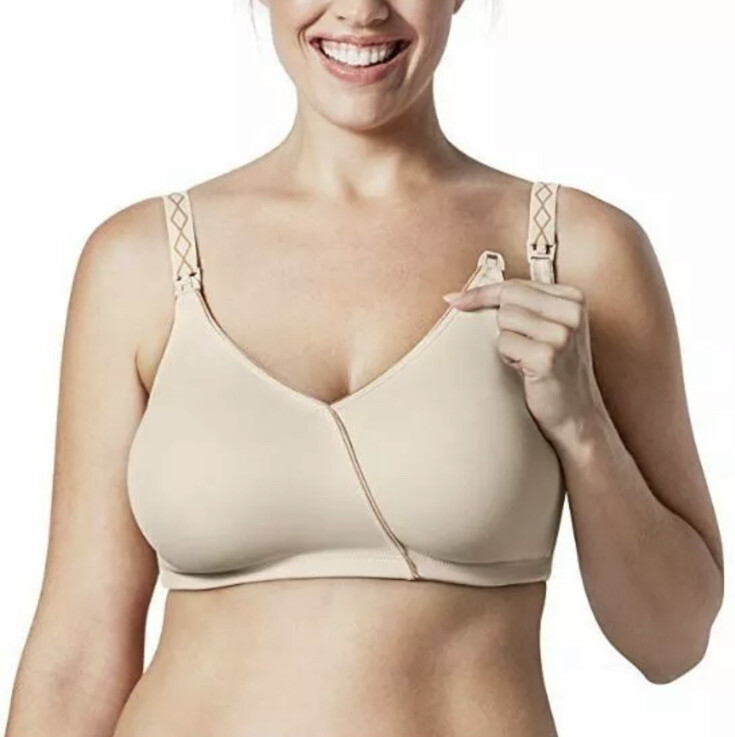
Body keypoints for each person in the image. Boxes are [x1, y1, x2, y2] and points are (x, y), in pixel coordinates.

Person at [4, 2, 724, 736]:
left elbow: (672, 642)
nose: (361, 9)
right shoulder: (139, 264)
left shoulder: (577, 253)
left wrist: (582, 423)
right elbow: (76, 656)